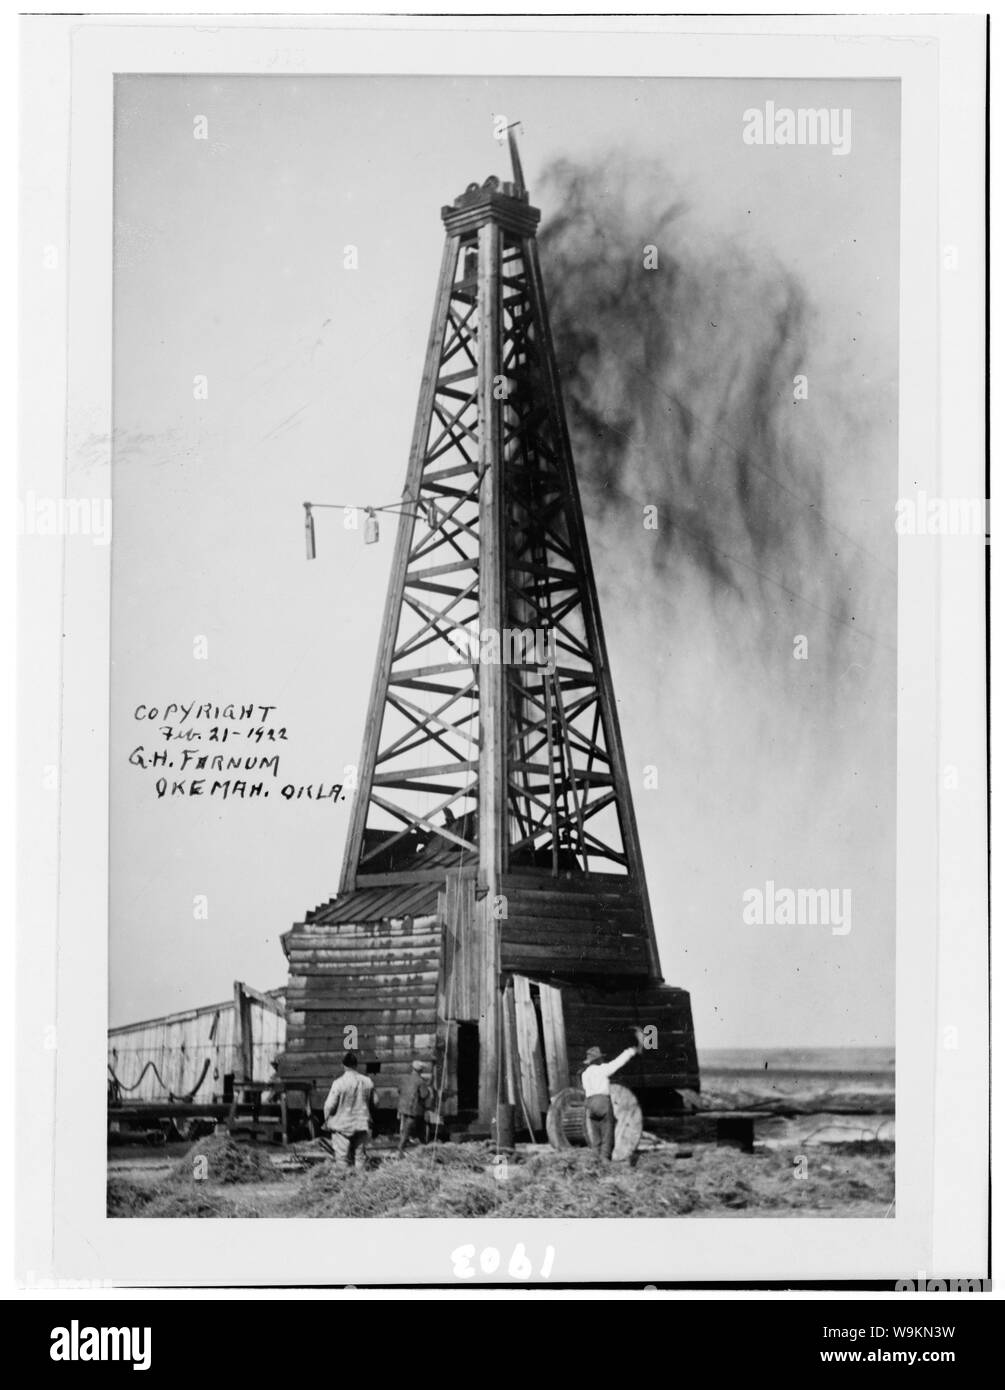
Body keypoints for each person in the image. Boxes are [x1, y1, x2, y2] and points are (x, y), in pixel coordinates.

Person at [580, 1027, 645, 1160]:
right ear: (598, 1060)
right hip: (602, 1102)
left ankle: (595, 1159)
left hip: (590, 1104)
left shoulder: (585, 1074)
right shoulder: (603, 1069)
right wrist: (631, 1051)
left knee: (596, 1134)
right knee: (607, 1133)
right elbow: (618, 1062)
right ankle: (605, 1161)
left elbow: (586, 1089)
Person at [323, 1052, 376, 1171]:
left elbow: (329, 1105)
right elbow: (375, 1102)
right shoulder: (367, 1081)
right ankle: (359, 1183)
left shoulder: (338, 1083)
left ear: (343, 1065)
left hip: (342, 1126)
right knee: (360, 1157)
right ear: (356, 1065)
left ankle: (343, 1182)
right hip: (361, 1124)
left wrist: (327, 1120)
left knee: (342, 1158)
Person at [396, 1059, 433, 1153]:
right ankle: (400, 1149)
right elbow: (423, 1095)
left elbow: (399, 1091)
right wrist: (429, 1091)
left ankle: (424, 1147)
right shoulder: (421, 1081)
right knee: (409, 1131)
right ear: (421, 1070)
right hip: (414, 1110)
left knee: (407, 1129)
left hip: (403, 1108)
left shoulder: (404, 1079)